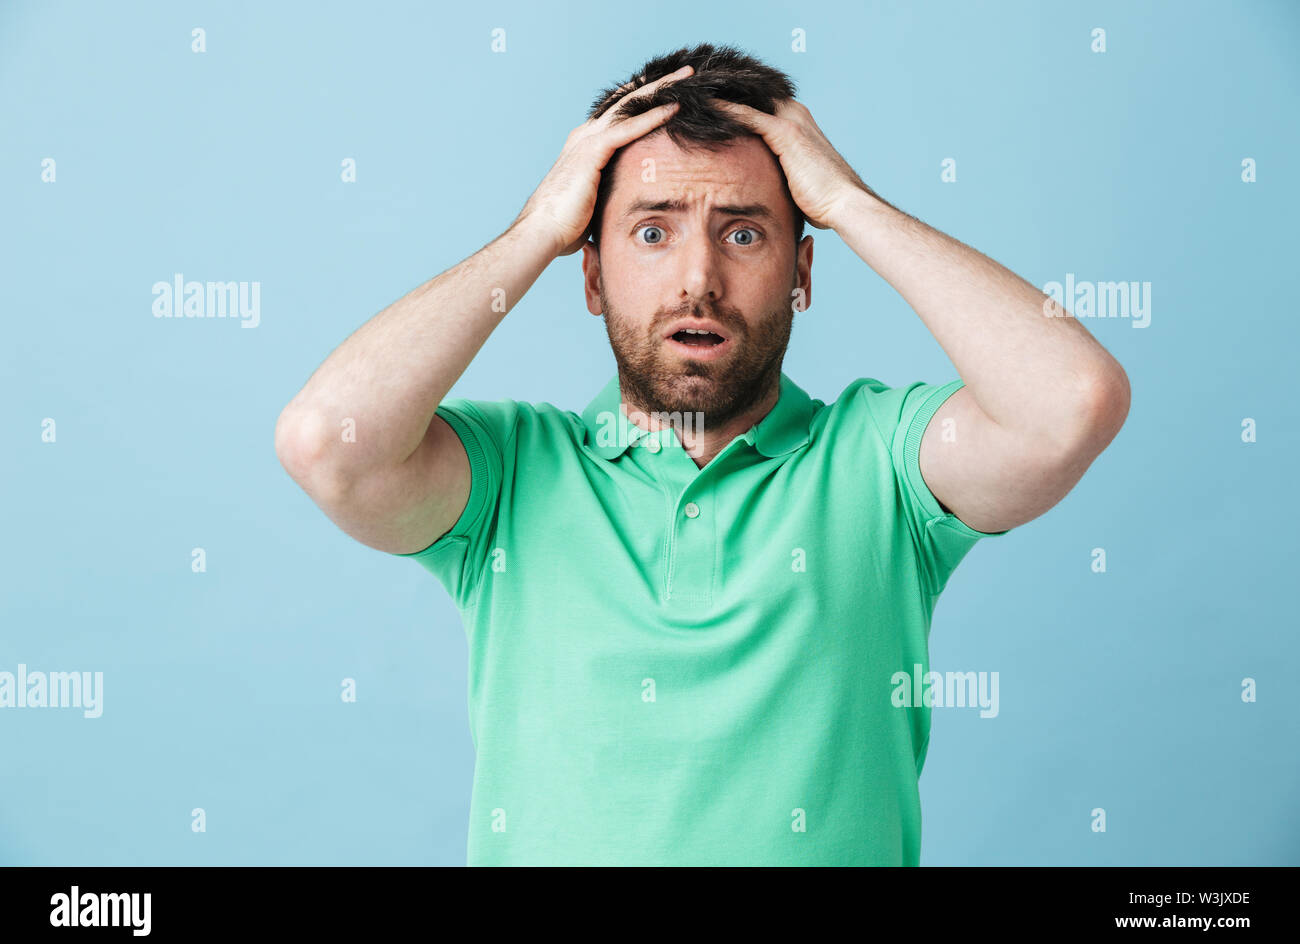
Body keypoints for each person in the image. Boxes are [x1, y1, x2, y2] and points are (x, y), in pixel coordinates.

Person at [274, 42, 1130, 865]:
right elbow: (327, 444)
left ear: (803, 272)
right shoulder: (512, 476)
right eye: (652, 233)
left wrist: (849, 202)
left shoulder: (882, 463)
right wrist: (537, 227)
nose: (699, 279)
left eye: (744, 234)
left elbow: (1069, 406)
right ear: (591, 277)